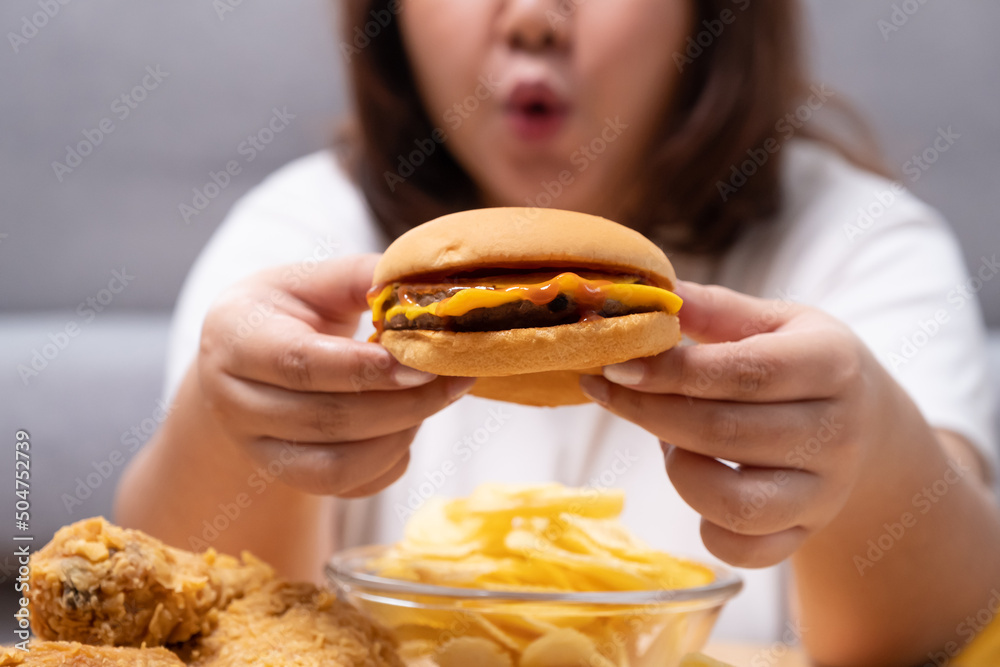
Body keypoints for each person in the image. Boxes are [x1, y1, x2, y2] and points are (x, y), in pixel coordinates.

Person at [117, 0, 1000, 664]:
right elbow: (185, 608)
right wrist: (232, 424)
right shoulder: (300, 232)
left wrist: (873, 455)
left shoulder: (860, 245)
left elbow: (945, 628)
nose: (534, 16)